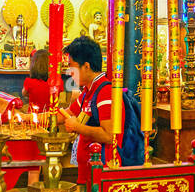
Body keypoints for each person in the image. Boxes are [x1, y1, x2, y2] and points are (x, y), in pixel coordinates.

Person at [57, 35, 142, 167]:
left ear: (86, 66)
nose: (69, 72)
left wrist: (77, 127)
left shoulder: (105, 92)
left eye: (72, 67)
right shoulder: (88, 91)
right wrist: (27, 118)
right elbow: (64, 114)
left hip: (103, 168)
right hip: (89, 168)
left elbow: (109, 135)